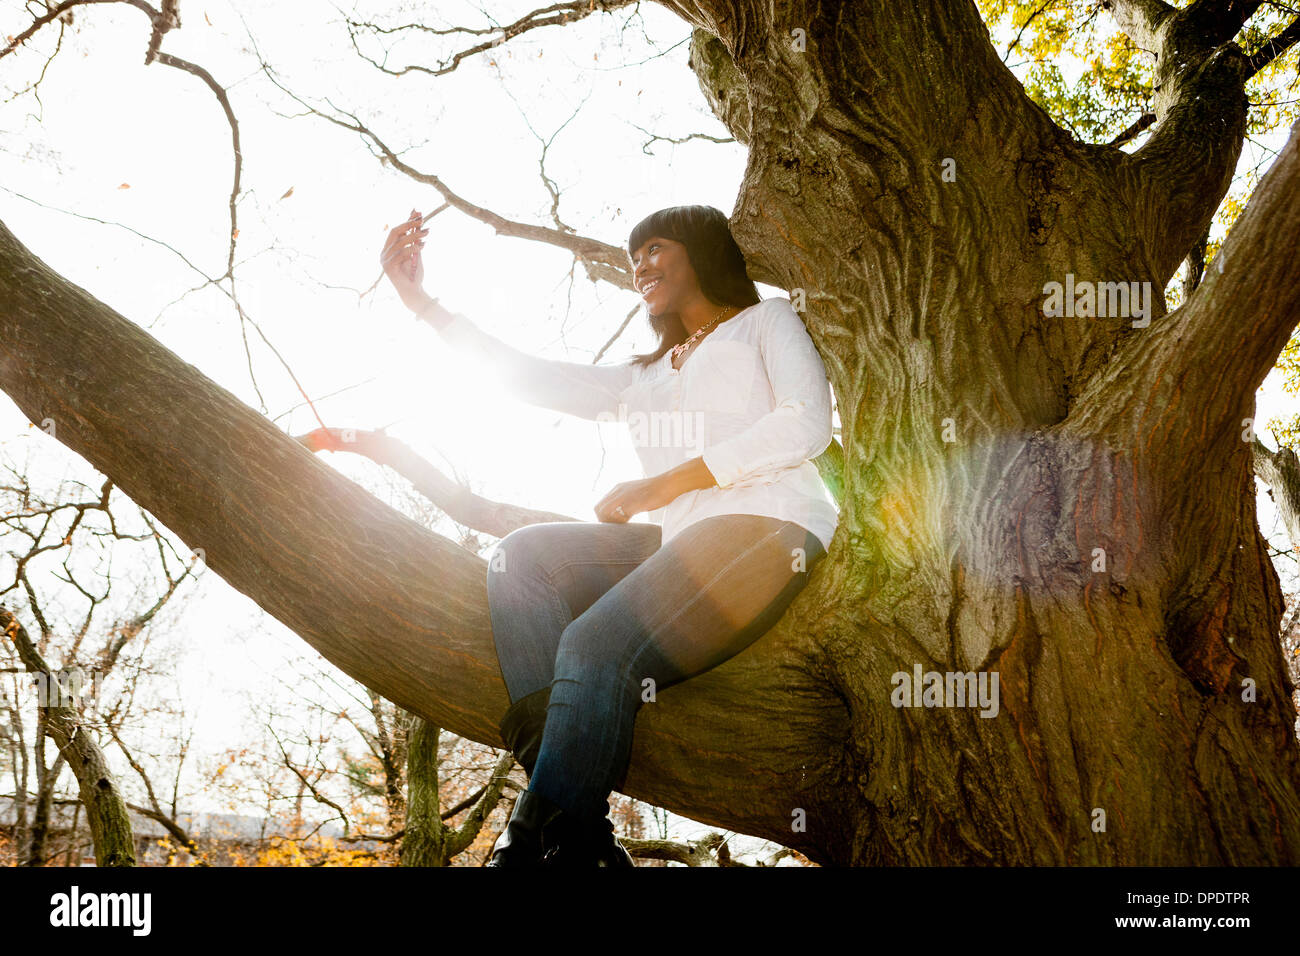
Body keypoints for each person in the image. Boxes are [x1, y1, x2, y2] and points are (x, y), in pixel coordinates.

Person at [380, 203, 838, 867]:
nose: (641, 267)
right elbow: (527, 376)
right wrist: (418, 299)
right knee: (521, 559)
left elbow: (805, 423)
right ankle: (578, 835)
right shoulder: (641, 377)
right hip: (681, 543)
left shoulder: (765, 322)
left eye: (654, 248)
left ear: (701, 249)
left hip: (769, 525)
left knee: (594, 642)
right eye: (633, 260)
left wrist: (664, 485)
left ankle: (529, 845)